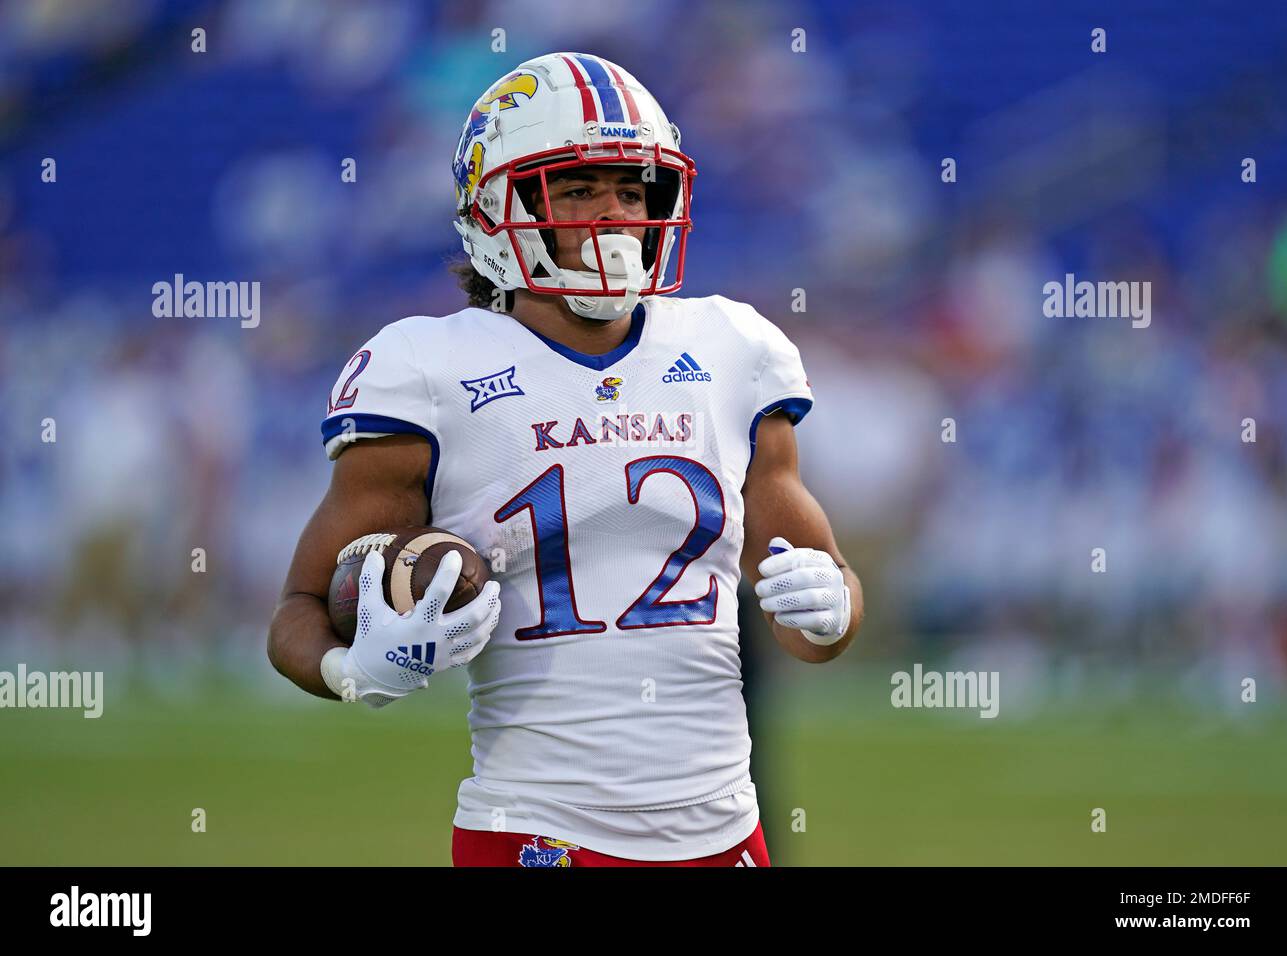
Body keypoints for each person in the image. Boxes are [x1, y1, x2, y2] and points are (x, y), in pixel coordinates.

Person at [267, 52, 862, 867]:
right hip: (536, 830)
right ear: (497, 208)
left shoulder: (734, 350)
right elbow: (300, 606)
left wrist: (834, 607)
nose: (612, 214)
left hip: (727, 832)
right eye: (577, 189)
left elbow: (817, 620)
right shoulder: (431, 372)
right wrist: (349, 669)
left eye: (629, 188)